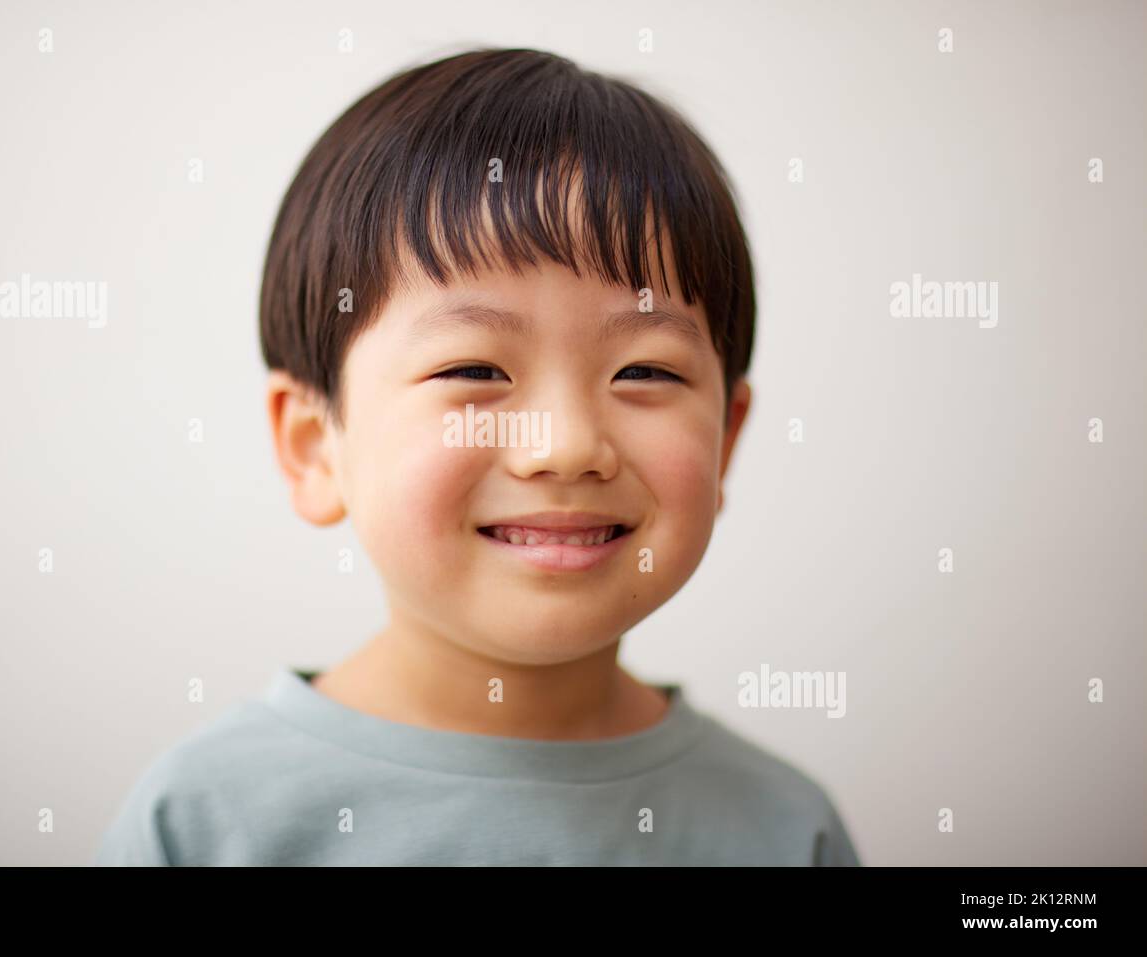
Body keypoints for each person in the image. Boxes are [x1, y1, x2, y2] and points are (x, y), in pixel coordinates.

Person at [95, 47, 860, 866]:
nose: (566, 445)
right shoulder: (206, 824)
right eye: (473, 370)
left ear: (725, 444)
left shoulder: (783, 829)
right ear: (316, 446)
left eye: (644, 371)